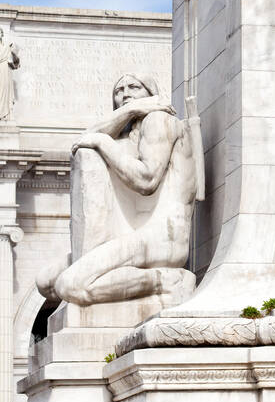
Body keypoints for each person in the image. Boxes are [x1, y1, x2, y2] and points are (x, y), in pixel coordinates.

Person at [37, 73, 203, 307]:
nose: (125, 94)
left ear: (150, 93)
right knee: (45, 281)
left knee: (70, 285)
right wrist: (129, 111)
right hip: (134, 235)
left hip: (163, 236)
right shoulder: (131, 131)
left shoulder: (159, 120)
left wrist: (103, 142)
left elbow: (146, 179)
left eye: (134, 87)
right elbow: (85, 138)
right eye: (119, 90)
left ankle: (168, 281)